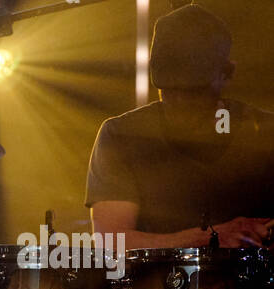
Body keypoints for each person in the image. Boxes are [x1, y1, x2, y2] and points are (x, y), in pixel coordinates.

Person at [85, 3, 274, 249]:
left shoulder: (266, 133)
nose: (180, 101)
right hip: (154, 286)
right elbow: (109, 242)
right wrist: (209, 238)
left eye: (195, 90)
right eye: (169, 89)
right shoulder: (121, 135)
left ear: (227, 73)